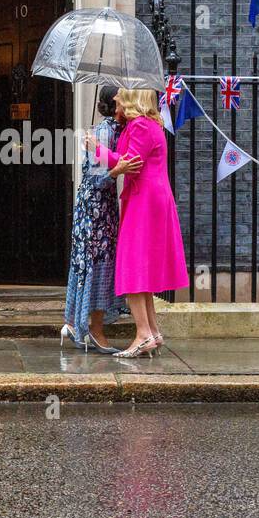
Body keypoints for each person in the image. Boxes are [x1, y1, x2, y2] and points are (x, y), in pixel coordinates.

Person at [84, 88, 188, 358]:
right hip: (150, 198)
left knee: (132, 266)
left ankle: (142, 334)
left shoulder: (141, 126)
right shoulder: (147, 124)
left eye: (120, 95)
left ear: (131, 99)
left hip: (145, 201)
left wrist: (98, 150)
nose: (115, 99)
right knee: (142, 268)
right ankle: (152, 332)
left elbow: (130, 163)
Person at [61, 86, 128, 354]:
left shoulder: (117, 129)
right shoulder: (103, 130)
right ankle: (93, 329)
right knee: (96, 264)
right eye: (122, 97)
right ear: (114, 102)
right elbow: (96, 179)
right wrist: (116, 172)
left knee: (98, 263)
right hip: (94, 209)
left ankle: (74, 324)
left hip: (105, 206)